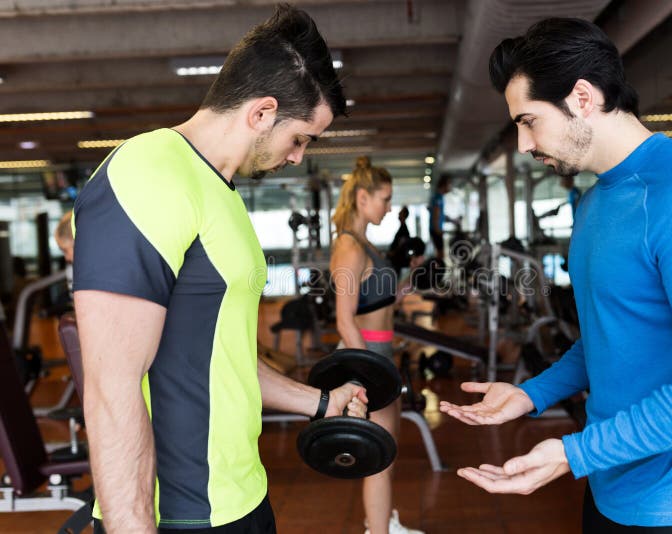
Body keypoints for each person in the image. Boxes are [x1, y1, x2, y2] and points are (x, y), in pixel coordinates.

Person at [440, 17, 672, 533]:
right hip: (609, 487)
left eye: (528, 120)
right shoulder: (595, 203)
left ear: (583, 97)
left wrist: (576, 452)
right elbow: (610, 334)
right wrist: (533, 394)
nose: (523, 144)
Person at [72, 5, 369, 533]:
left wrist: (322, 402)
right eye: (300, 138)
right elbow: (111, 388)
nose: (299, 157)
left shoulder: (223, 194)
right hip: (182, 514)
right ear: (261, 112)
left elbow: (216, 358)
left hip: (240, 497)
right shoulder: (151, 171)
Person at [330, 157, 422, 534]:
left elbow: (374, 302)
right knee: (379, 455)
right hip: (367, 356)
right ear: (363, 198)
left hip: (380, 353)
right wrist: (369, 373)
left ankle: (382, 523)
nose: (388, 207)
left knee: (386, 451)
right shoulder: (350, 247)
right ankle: (378, 531)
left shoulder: (364, 243)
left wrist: (406, 284)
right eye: (384, 199)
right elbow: (344, 318)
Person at [427, 174, 451, 260]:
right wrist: (438, 230)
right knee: (440, 255)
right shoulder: (438, 197)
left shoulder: (437, 197)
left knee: (440, 253)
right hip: (435, 229)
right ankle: (438, 272)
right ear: (444, 185)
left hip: (434, 229)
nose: (450, 187)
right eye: (449, 184)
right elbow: (436, 214)